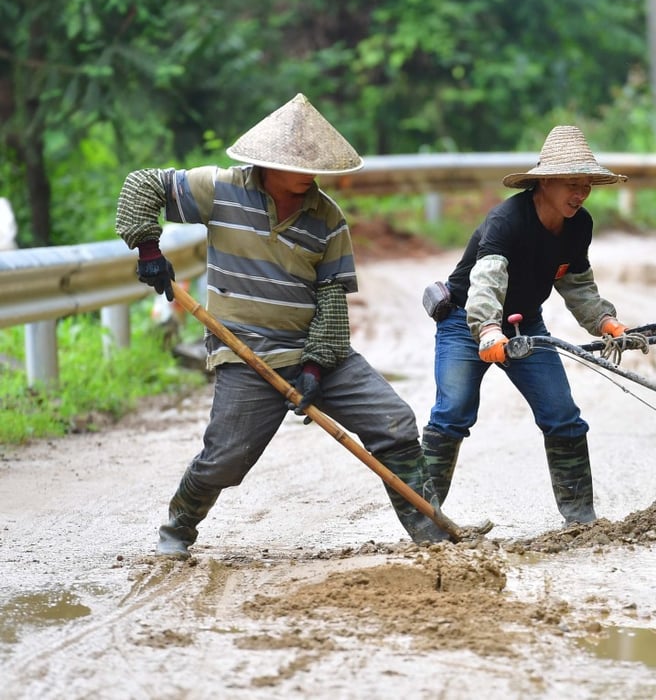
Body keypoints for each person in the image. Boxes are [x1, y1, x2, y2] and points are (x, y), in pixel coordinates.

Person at [115, 93, 454, 557]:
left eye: (316, 164)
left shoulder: (328, 218)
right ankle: (178, 527)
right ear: (267, 162)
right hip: (246, 354)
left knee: (394, 422)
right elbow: (141, 185)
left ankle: (430, 529)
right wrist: (148, 250)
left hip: (318, 352)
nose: (310, 172)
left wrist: (315, 366)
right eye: (299, 163)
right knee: (225, 461)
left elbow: (332, 301)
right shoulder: (219, 188)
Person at [421, 125, 628, 525]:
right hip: (466, 321)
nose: (580, 193)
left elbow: (576, 282)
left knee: (562, 413)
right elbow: (487, 281)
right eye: (571, 183)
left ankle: (581, 518)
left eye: (586, 184)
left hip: (525, 322)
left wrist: (605, 321)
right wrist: (487, 331)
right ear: (545, 182)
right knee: (453, 411)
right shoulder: (507, 220)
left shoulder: (579, 225)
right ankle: (424, 516)